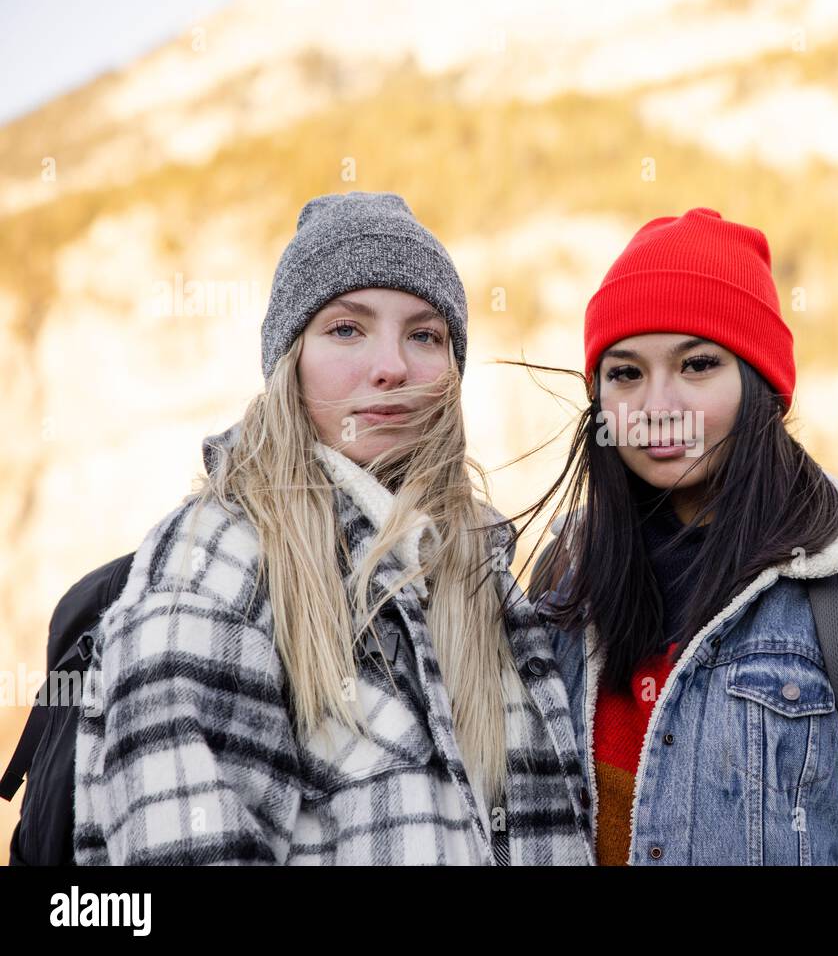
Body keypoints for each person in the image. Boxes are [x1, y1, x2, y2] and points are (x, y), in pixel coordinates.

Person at [73, 191, 592, 865]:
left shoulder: (480, 582)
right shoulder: (220, 562)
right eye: (347, 328)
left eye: (424, 334)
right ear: (291, 360)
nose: (391, 365)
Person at [529, 207, 838, 864]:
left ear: (761, 387)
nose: (658, 406)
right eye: (627, 373)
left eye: (697, 365)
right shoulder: (561, 592)